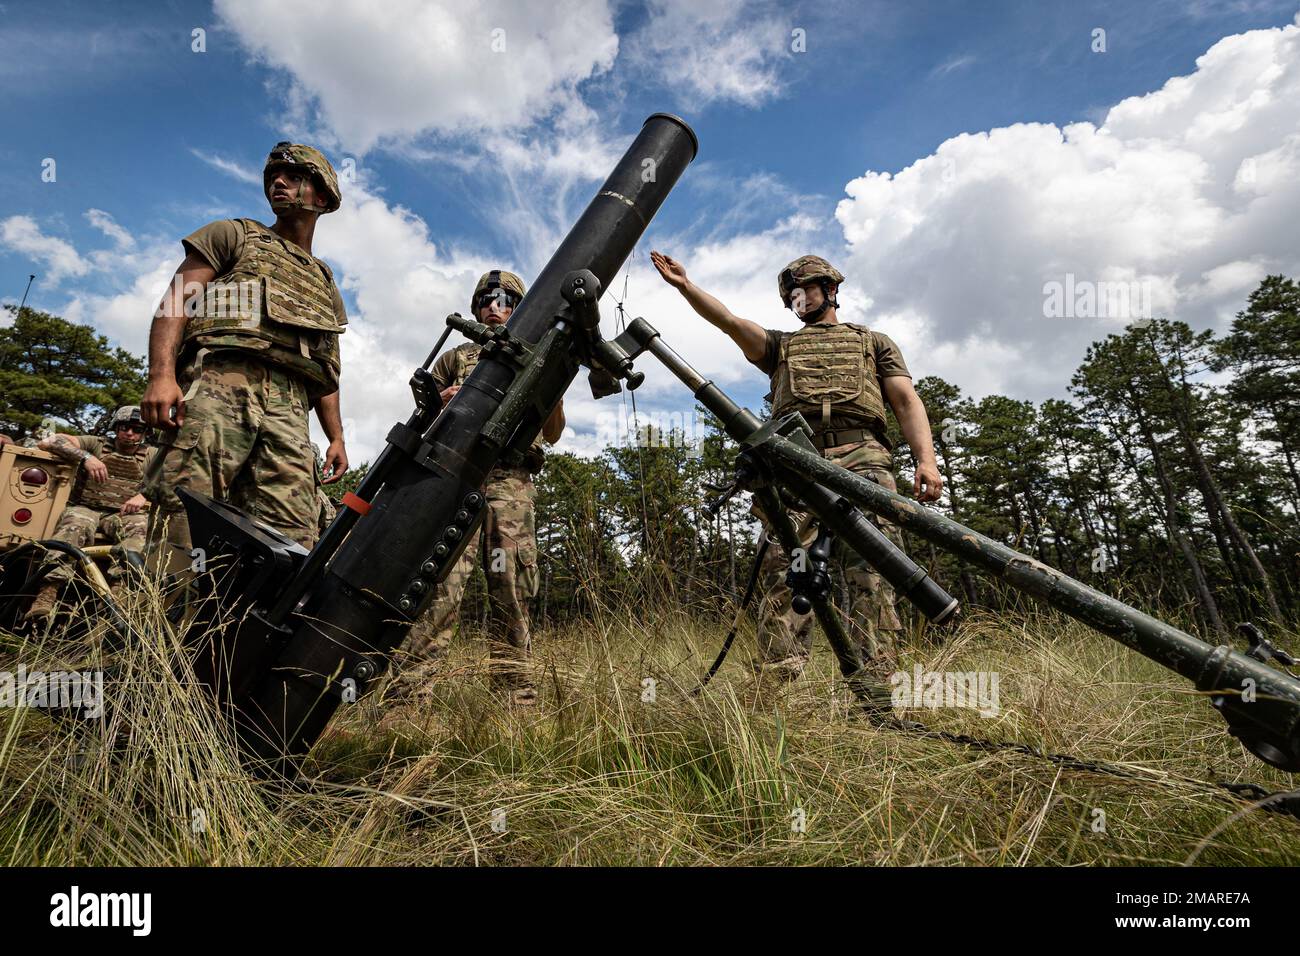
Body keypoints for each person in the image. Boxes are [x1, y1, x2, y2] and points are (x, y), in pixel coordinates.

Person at [651, 250, 943, 683]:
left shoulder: (874, 342)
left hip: (864, 458)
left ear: (830, 290)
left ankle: (880, 689)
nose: (798, 300)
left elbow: (904, 400)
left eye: (804, 290)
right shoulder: (779, 347)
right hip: (797, 466)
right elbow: (731, 323)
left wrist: (926, 459)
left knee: (873, 577)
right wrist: (687, 286)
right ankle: (775, 687)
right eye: (791, 296)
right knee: (788, 570)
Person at [140, 142, 350, 573]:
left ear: (322, 196)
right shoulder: (232, 234)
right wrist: (161, 376)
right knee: (187, 503)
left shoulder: (325, 280)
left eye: (295, 177)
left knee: (291, 533)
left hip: (292, 407)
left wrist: (336, 438)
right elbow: (175, 303)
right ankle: (161, 633)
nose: (278, 181)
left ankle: (247, 636)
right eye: (274, 175)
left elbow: (326, 367)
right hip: (222, 380)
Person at [400, 270, 565, 706]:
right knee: (437, 587)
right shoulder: (455, 356)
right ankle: (408, 703)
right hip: (453, 477)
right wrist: (445, 400)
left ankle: (515, 704)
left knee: (511, 588)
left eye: (506, 299)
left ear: (520, 306)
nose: (494, 306)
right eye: (487, 299)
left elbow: (554, 433)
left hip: (510, 483)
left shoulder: (537, 355)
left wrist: (553, 389)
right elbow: (422, 419)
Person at [25, 406, 154, 620]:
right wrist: (86, 456)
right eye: (125, 427)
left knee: (140, 529)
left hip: (122, 515)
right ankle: (47, 595)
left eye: (136, 429)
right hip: (86, 508)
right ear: (116, 428)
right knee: (74, 526)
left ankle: (118, 601)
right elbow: (48, 441)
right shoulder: (96, 444)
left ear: (144, 433)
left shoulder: (150, 455)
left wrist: (145, 496)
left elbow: (172, 476)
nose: (130, 433)